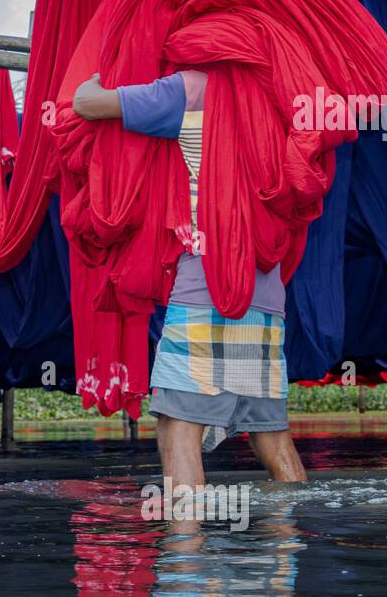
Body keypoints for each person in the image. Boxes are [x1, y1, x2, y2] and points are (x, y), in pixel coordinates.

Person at [73, 69, 307, 487]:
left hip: (207, 288)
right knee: (272, 435)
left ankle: (185, 548)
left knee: (178, 428)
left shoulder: (189, 89)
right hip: (267, 294)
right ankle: (284, 546)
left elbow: (87, 104)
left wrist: (98, 73)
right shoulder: (279, 91)